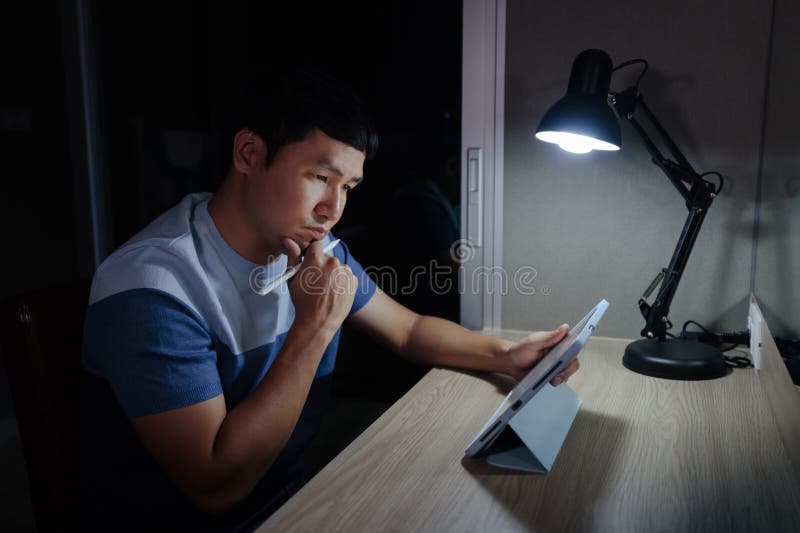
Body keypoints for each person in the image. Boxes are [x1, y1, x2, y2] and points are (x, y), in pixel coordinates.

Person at [79, 67, 579, 531]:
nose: (332, 209)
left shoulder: (310, 246)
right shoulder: (153, 288)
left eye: (348, 188)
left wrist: (506, 356)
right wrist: (314, 327)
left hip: (294, 493)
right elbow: (217, 489)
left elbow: (406, 330)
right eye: (319, 177)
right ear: (249, 154)